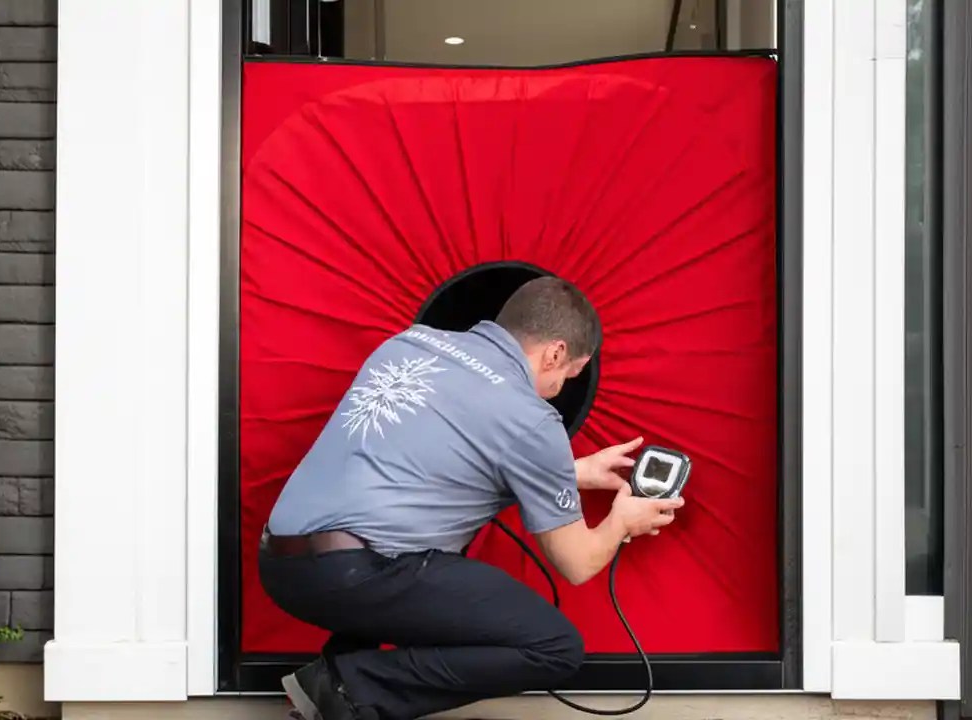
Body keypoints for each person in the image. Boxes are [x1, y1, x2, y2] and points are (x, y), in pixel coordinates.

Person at [258, 276, 685, 720]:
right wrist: (622, 521)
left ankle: (340, 670)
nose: (558, 388)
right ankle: (346, 688)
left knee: (413, 542)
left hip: (281, 565)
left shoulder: (409, 343)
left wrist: (570, 472)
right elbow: (577, 563)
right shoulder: (532, 418)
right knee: (556, 648)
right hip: (351, 574)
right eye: (567, 376)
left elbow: (432, 463)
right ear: (556, 354)